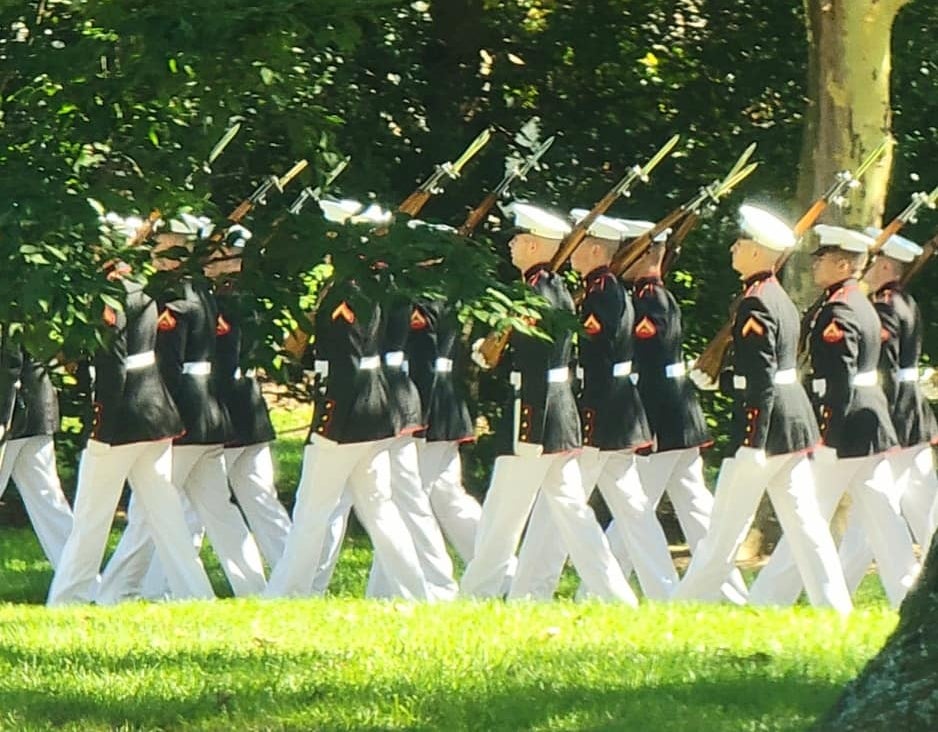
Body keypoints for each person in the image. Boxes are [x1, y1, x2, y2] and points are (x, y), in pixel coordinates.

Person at [460, 202, 636, 603]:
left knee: (503, 514)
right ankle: (616, 597)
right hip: (556, 416)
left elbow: (538, 365)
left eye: (520, 238)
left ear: (537, 245)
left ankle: (476, 593)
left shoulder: (535, 294)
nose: (512, 244)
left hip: (535, 416)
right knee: (574, 515)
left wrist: (527, 426)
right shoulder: (550, 288)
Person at [680, 206, 852, 614]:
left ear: (759, 252)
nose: (734, 248)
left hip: (765, 431)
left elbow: (761, 380)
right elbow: (768, 372)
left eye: (741, 243)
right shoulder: (776, 297)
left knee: (723, 529)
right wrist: (721, 381)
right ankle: (836, 607)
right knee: (806, 526)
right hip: (792, 425)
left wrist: (752, 441)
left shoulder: (754, 304)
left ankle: (680, 607)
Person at [264, 199, 429, 600]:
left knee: (312, 510)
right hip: (374, 412)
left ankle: (289, 594)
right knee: (379, 507)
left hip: (348, 412)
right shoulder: (373, 281)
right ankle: (414, 592)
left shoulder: (348, 289)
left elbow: (347, 361)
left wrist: (330, 420)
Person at [95, 216, 267, 603]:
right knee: (218, 514)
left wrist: (163, 416)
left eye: (160, 247)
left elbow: (168, 367)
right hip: (209, 415)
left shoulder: (173, 297)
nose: (154, 255)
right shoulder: (201, 290)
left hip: (185, 416)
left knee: (147, 513)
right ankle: (253, 588)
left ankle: (115, 593)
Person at [749, 225, 920, 609]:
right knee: (884, 520)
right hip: (870, 425)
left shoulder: (839, 310)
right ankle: (908, 595)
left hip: (844, 431)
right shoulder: (860, 303)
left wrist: (825, 434)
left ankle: (768, 599)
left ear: (843, 263)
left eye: (822, 259)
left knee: (807, 517)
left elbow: (837, 383)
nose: (815, 265)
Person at [509, 211, 676, 601]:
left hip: (599, 415)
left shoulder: (601, 294)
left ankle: (533, 591)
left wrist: (583, 413)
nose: (572, 250)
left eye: (581, 243)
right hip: (618, 414)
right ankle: (664, 591)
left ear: (596, 249)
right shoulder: (604, 290)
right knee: (632, 512)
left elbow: (592, 362)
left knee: (562, 511)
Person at [48, 247, 215, 605]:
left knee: (92, 516)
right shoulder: (145, 293)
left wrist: (101, 424)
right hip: (155, 412)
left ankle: (68, 597)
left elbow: (114, 364)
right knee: (166, 516)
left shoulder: (111, 300)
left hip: (123, 414)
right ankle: (196, 593)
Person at [614, 232, 748, 603]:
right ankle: (732, 591)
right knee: (696, 509)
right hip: (677, 418)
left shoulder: (647, 300)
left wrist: (642, 425)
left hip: (661, 420)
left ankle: (645, 589)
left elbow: (649, 369)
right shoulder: (653, 296)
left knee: (635, 508)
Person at [210, 230, 292, 569]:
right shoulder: (246, 297)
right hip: (247, 407)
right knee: (259, 497)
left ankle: (163, 582)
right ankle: (293, 570)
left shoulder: (227, 302)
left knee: (204, 502)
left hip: (227, 408)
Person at [0, 339, 73, 567]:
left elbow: (10, 363)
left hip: (13, 412)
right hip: (33, 408)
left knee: (49, 500)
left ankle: (82, 580)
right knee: (49, 501)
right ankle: (83, 581)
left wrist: (3, 421)